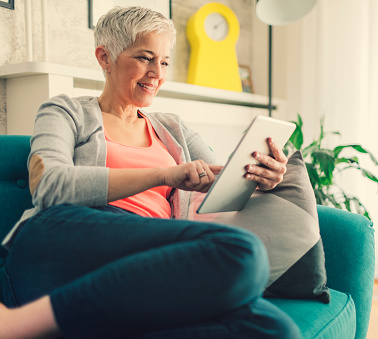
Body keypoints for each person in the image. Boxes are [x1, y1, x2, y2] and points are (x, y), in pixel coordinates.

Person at [0, 6, 300, 339]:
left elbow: (219, 181)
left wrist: (261, 178)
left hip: (143, 259)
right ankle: (17, 323)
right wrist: (164, 175)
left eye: (165, 62)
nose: (157, 73)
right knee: (243, 251)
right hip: (61, 239)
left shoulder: (174, 128)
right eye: (145, 58)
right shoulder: (65, 111)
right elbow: (50, 186)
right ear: (105, 57)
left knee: (274, 329)